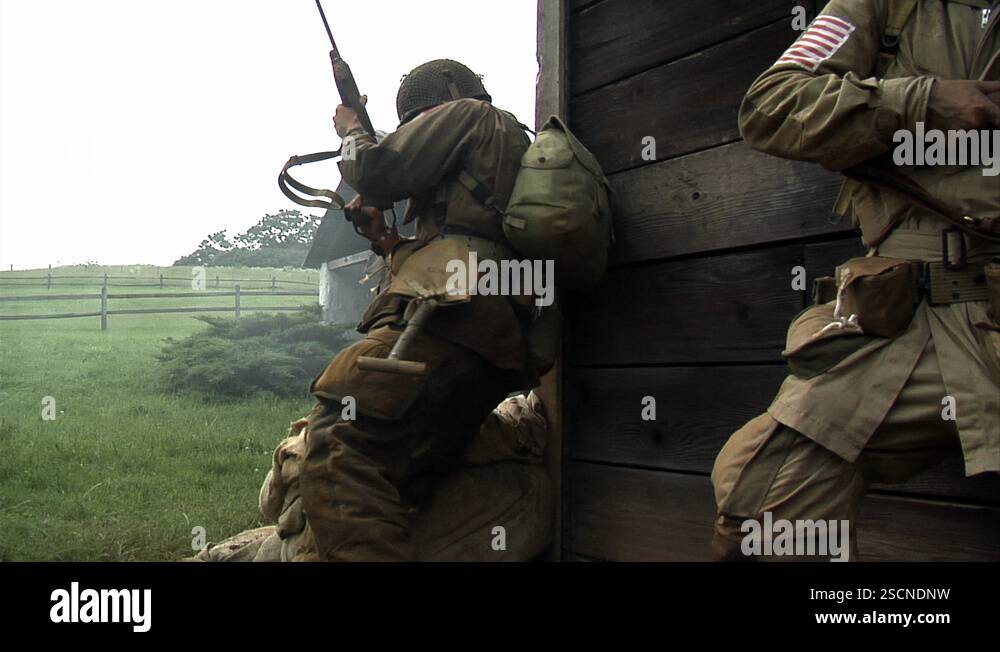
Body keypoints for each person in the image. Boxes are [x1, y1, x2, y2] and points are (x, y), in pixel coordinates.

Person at [711, 0, 1000, 560]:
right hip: (918, 309)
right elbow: (771, 105)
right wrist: (919, 100)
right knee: (769, 499)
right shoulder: (886, 7)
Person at [294, 59, 554, 561]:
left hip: (453, 319)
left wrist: (352, 132)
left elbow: (376, 169)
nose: (410, 133)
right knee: (405, 464)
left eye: (411, 123)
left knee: (339, 440)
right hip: (488, 330)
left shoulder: (471, 117)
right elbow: (468, 243)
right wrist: (389, 241)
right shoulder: (499, 147)